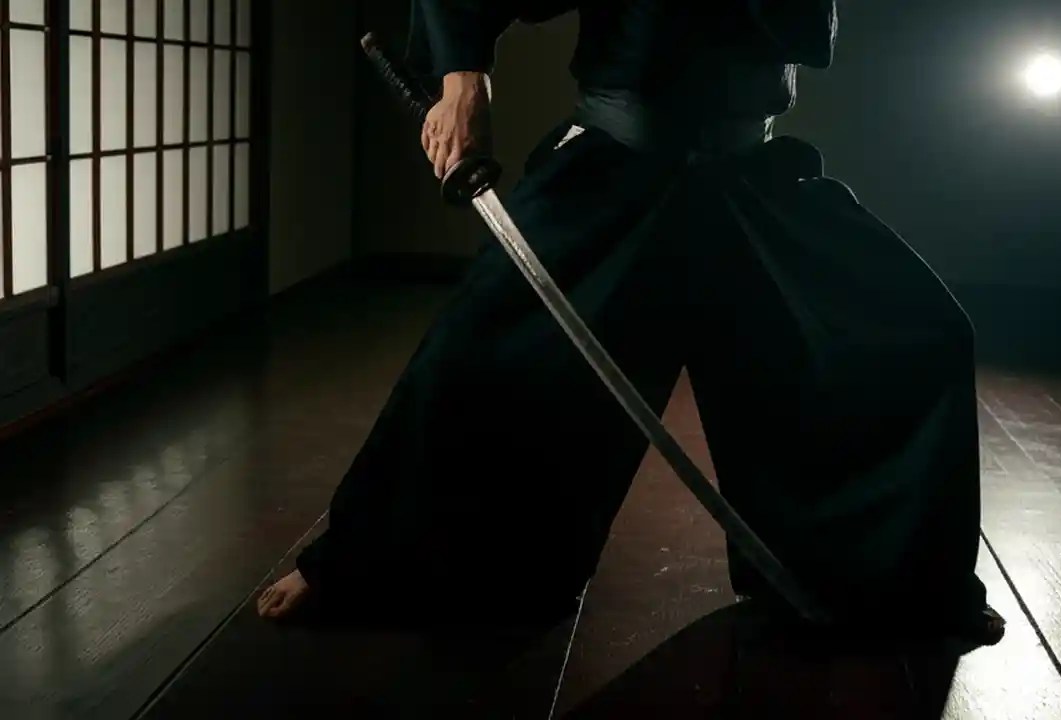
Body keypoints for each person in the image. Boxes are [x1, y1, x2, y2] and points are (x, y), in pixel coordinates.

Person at [257, 0, 1005, 646]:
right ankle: (376, 571)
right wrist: (462, 82)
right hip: (617, 165)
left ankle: (894, 589)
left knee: (920, 336)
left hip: (752, 171)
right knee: (479, 358)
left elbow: (806, 30)